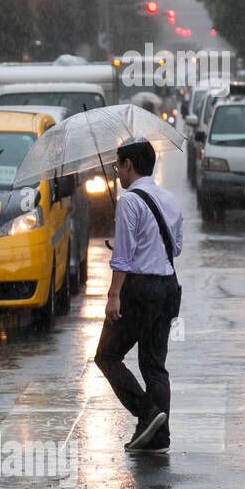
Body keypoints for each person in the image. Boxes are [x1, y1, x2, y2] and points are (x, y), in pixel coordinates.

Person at [93, 138, 183, 453]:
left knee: (106, 356)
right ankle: (158, 438)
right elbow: (176, 247)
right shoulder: (168, 199)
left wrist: (113, 295)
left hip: (140, 289)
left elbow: (124, 259)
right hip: (168, 287)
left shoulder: (129, 201)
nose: (117, 171)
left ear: (129, 165)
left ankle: (147, 413)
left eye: (118, 165)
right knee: (154, 364)